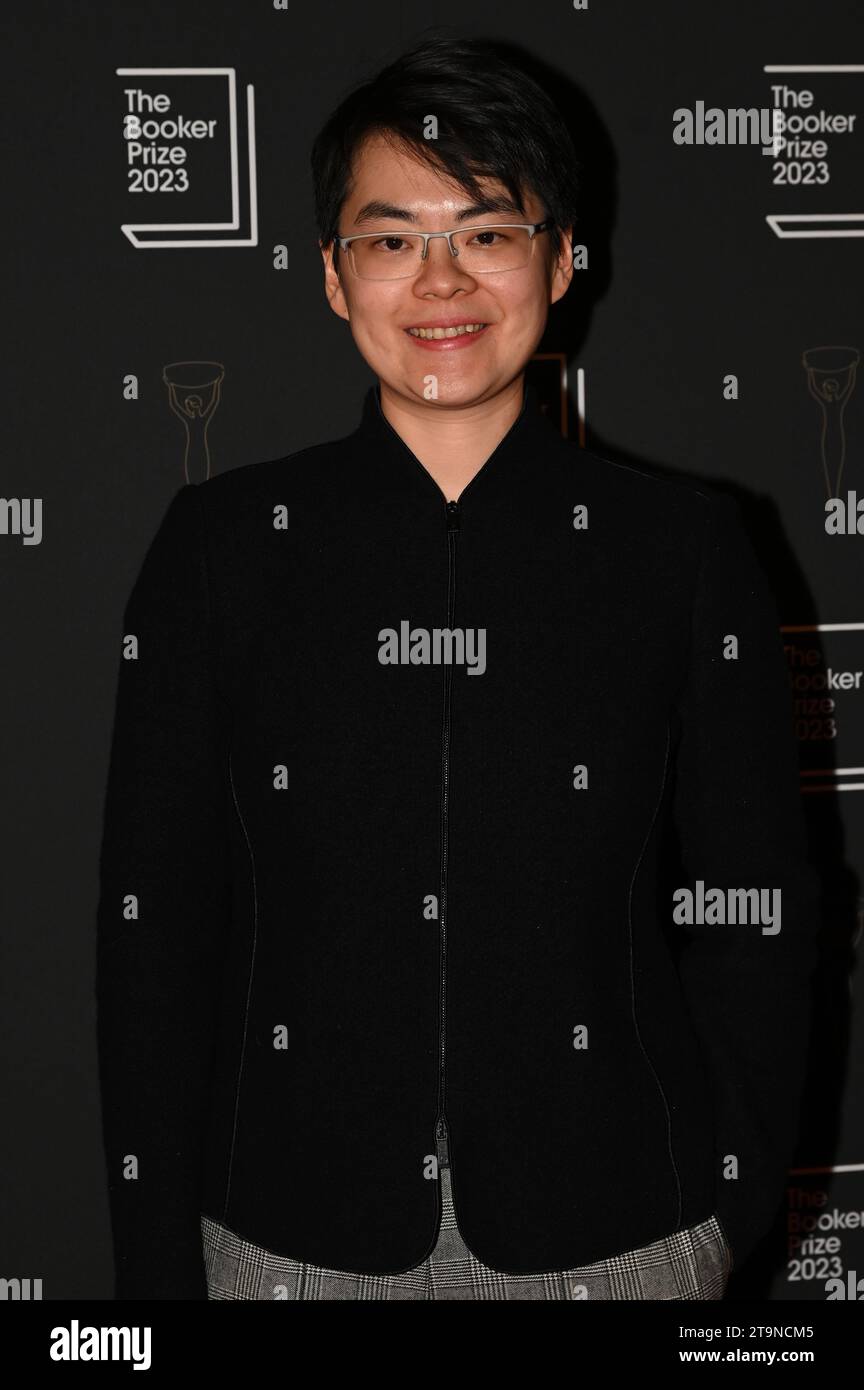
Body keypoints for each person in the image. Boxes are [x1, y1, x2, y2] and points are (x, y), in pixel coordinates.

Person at [96, 33, 820, 1301]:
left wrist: (729, 1197)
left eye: (486, 232)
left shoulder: (681, 549)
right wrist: (164, 1267)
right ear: (332, 275)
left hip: (623, 1237)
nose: (441, 280)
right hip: (284, 1244)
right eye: (391, 238)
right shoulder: (223, 550)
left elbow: (759, 901)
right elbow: (156, 931)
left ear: (561, 257)